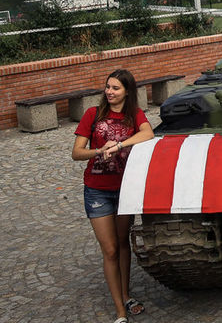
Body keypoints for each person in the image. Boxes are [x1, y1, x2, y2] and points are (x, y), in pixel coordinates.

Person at [72, 69, 154, 323]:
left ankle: (126, 295)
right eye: (108, 87)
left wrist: (119, 145)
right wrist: (99, 150)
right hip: (97, 190)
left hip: (125, 188)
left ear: (127, 92)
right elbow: (76, 152)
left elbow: (148, 134)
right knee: (109, 249)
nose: (109, 91)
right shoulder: (93, 115)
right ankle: (120, 310)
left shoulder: (134, 114)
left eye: (116, 88)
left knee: (121, 244)